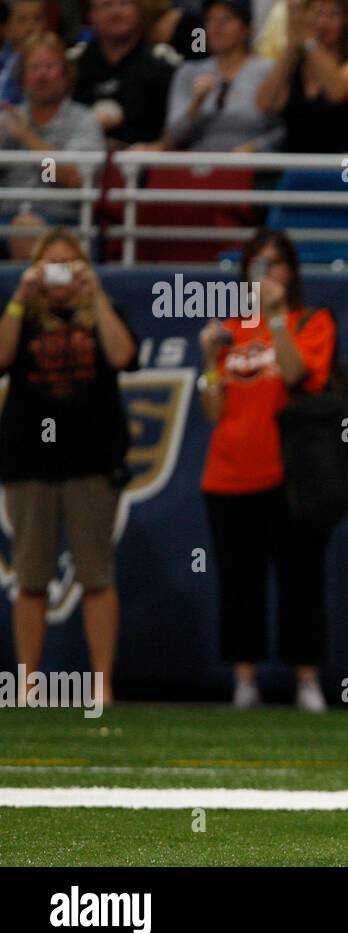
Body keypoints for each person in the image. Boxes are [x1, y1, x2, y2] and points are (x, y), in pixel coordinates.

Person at [197, 230, 337, 712]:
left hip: (290, 476)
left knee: (301, 580)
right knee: (239, 582)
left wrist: (276, 319)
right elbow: (213, 410)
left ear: (291, 272)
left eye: (275, 264)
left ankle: (306, 680)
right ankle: (244, 679)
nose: (267, 273)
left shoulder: (311, 321)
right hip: (227, 473)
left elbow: (299, 376)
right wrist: (208, 360)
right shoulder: (228, 329)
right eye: (258, 264)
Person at [0, 228, 137, 705]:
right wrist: (19, 298)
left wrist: (94, 294)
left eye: (68, 263)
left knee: (97, 576)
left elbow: (122, 355)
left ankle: (101, 682)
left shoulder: (104, 311)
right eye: (50, 264)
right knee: (30, 577)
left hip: (92, 461)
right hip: (29, 462)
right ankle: (30, 683)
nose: (59, 275)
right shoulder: (23, 315)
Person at [0, 33, 105, 261]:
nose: (41, 75)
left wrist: (28, 139)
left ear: (66, 75)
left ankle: (26, 296)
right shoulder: (7, 120)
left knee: (25, 227)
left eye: (49, 66)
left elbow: (73, 177)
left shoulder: (83, 120)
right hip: (5, 216)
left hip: (63, 222)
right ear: (22, 76)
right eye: (34, 67)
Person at [144, 0, 282, 152]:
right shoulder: (189, 71)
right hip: (199, 165)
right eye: (210, 20)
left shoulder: (268, 70)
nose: (215, 27)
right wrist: (196, 102)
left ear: (246, 28)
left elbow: (284, 128)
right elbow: (172, 137)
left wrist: (256, 148)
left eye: (226, 19)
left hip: (253, 167)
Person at [255, 0, 348, 153]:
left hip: (341, 163)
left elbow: (337, 93)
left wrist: (309, 41)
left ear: (345, 22)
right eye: (318, 13)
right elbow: (264, 103)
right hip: (295, 162)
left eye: (333, 15)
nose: (324, 22)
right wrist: (291, 47)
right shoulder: (294, 64)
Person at [70, 0, 179, 146]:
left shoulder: (162, 64)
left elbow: (180, 130)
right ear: (91, 15)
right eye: (106, 5)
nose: (117, 12)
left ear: (138, 11)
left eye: (124, 3)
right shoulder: (73, 65)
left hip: (145, 163)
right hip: (78, 161)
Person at [0, 0, 46, 105]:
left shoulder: (46, 62)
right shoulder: (3, 59)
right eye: (22, 20)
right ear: (7, 27)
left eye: (37, 19)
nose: (31, 26)